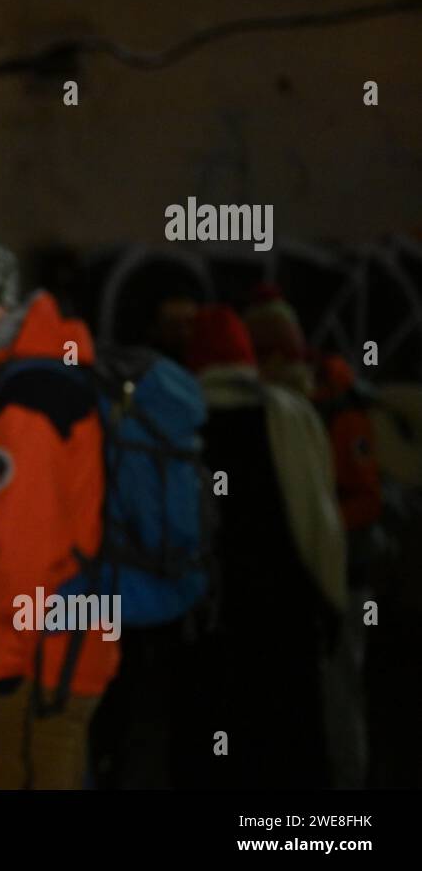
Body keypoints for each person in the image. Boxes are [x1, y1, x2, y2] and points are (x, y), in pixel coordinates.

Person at [0, 236, 118, 789]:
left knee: (8, 768)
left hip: (37, 653)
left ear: (0, 307)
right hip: (64, 638)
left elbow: (19, 555)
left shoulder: (27, 405)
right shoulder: (39, 380)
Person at [174, 305, 343, 788]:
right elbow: (321, 520)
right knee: (287, 750)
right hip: (284, 616)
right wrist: (331, 600)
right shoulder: (290, 413)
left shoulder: (178, 421)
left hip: (208, 620)